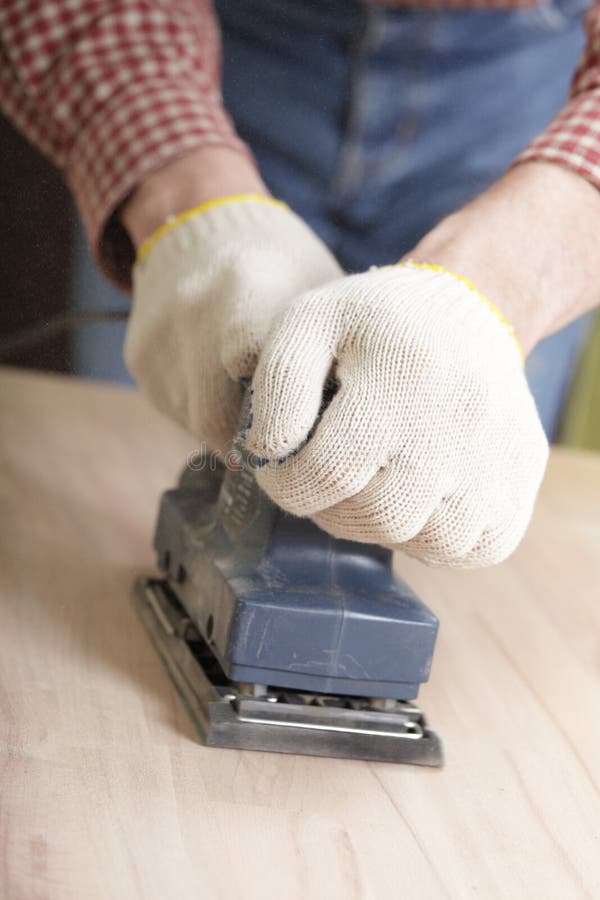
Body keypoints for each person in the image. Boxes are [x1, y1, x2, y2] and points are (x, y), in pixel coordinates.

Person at [2, 0, 600, 567]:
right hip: (221, 46)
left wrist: (502, 279)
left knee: (429, 494)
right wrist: (191, 202)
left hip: (527, 81)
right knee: (118, 478)